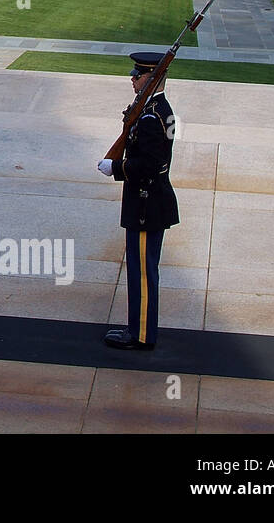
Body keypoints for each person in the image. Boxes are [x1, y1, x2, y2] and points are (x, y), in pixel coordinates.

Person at [96, 51, 179, 350]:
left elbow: (149, 165)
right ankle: (139, 327)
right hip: (150, 202)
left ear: (152, 78)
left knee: (142, 272)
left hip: (146, 205)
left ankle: (141, 334)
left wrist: (115, 167)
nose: (132, 78)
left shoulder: (150, 117)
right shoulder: (159, 110)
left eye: (138, 74)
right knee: (142, 269)